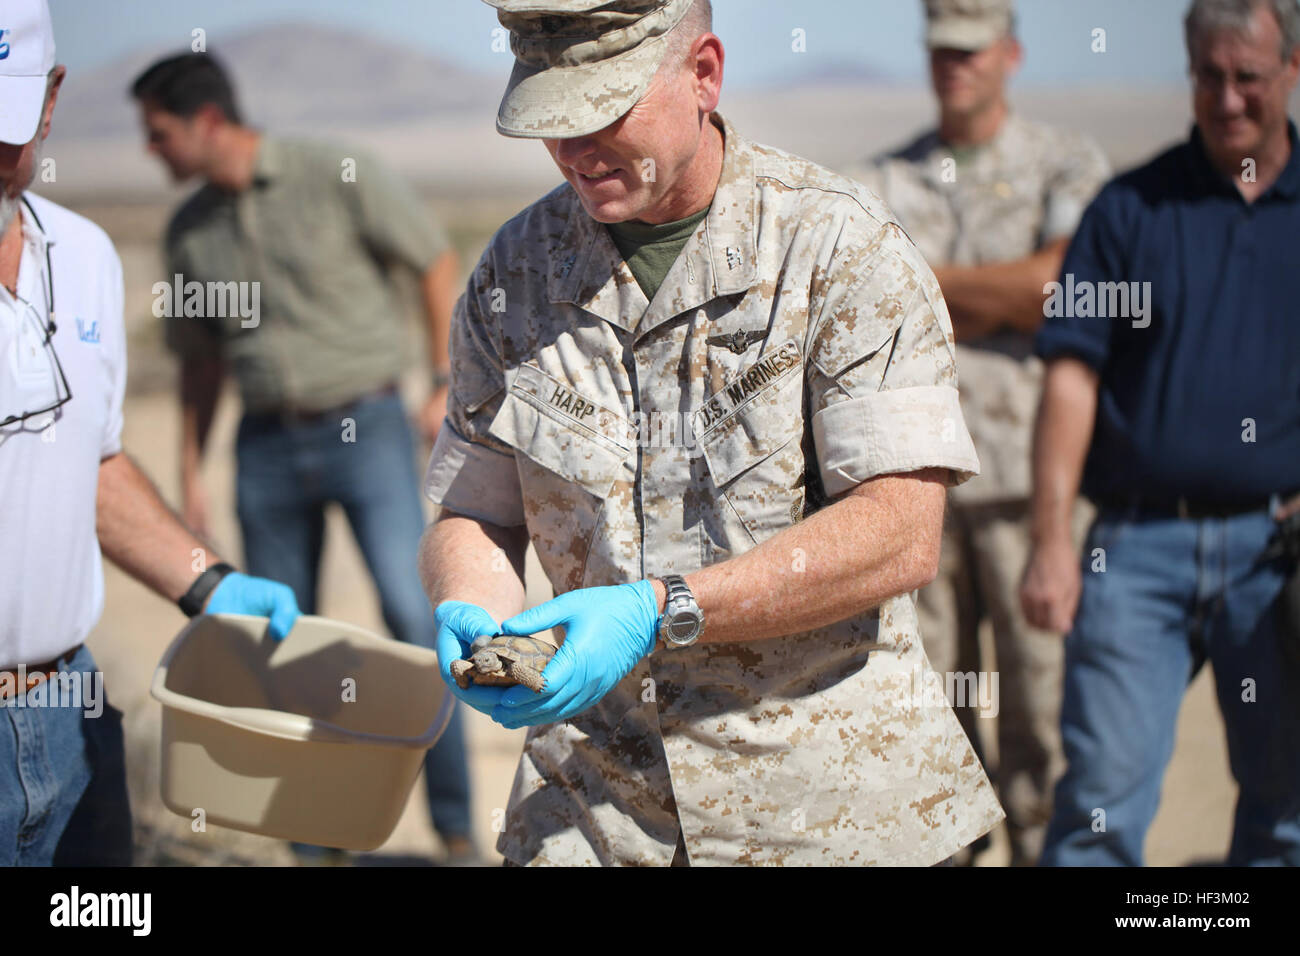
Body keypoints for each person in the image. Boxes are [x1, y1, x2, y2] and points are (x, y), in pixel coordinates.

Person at [421, 0, 1005, 866]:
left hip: (822, 809)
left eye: (605, 113)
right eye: (552, 122)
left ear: (704, 74)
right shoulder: (513, 277)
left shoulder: (839, 250)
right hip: (597, 814)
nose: (576, 149)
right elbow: (476, 507)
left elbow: (899, 534)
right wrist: (476, 615)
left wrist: (664, 611)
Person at [129, 52, 478, 864]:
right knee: (273, 639)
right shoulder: (189, 232)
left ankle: (457, 830)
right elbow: (201, 363)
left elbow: (432, 259)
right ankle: (315, 844)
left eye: (159, 134)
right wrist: (188, 473)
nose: (151, 152)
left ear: (207, 120)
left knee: (415, 617)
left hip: (370, 427)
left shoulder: (334, 174)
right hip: (265, 448)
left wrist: (438, 380)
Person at [0, 0, 299, 867]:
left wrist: (204, 582)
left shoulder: (86, 258)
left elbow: (83, 460)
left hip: (67, 709)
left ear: (50, 100)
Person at [1022, 0, 1300, 866]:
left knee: (1286, 812)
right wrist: (1052, 541)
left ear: (1292, 68)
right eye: (1208, 77)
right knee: (1098, 809)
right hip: (1134, 554)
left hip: (1279, 554)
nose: (1226, 100)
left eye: (1247, 77)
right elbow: (1070, 376)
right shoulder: (1125, 210)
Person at [849, 0, 1109, 866]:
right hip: (915, 481)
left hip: (1031, 482)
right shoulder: (883, 179)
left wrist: (924, 286)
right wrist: (989, 296)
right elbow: (861, 301)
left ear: (1011, 53)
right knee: (929, 703)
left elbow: (1054, 289)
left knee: (1043, 702)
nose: (954, 65)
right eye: (940, 52)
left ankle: (1047, 849)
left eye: (971, 51)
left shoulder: (1065, 163)